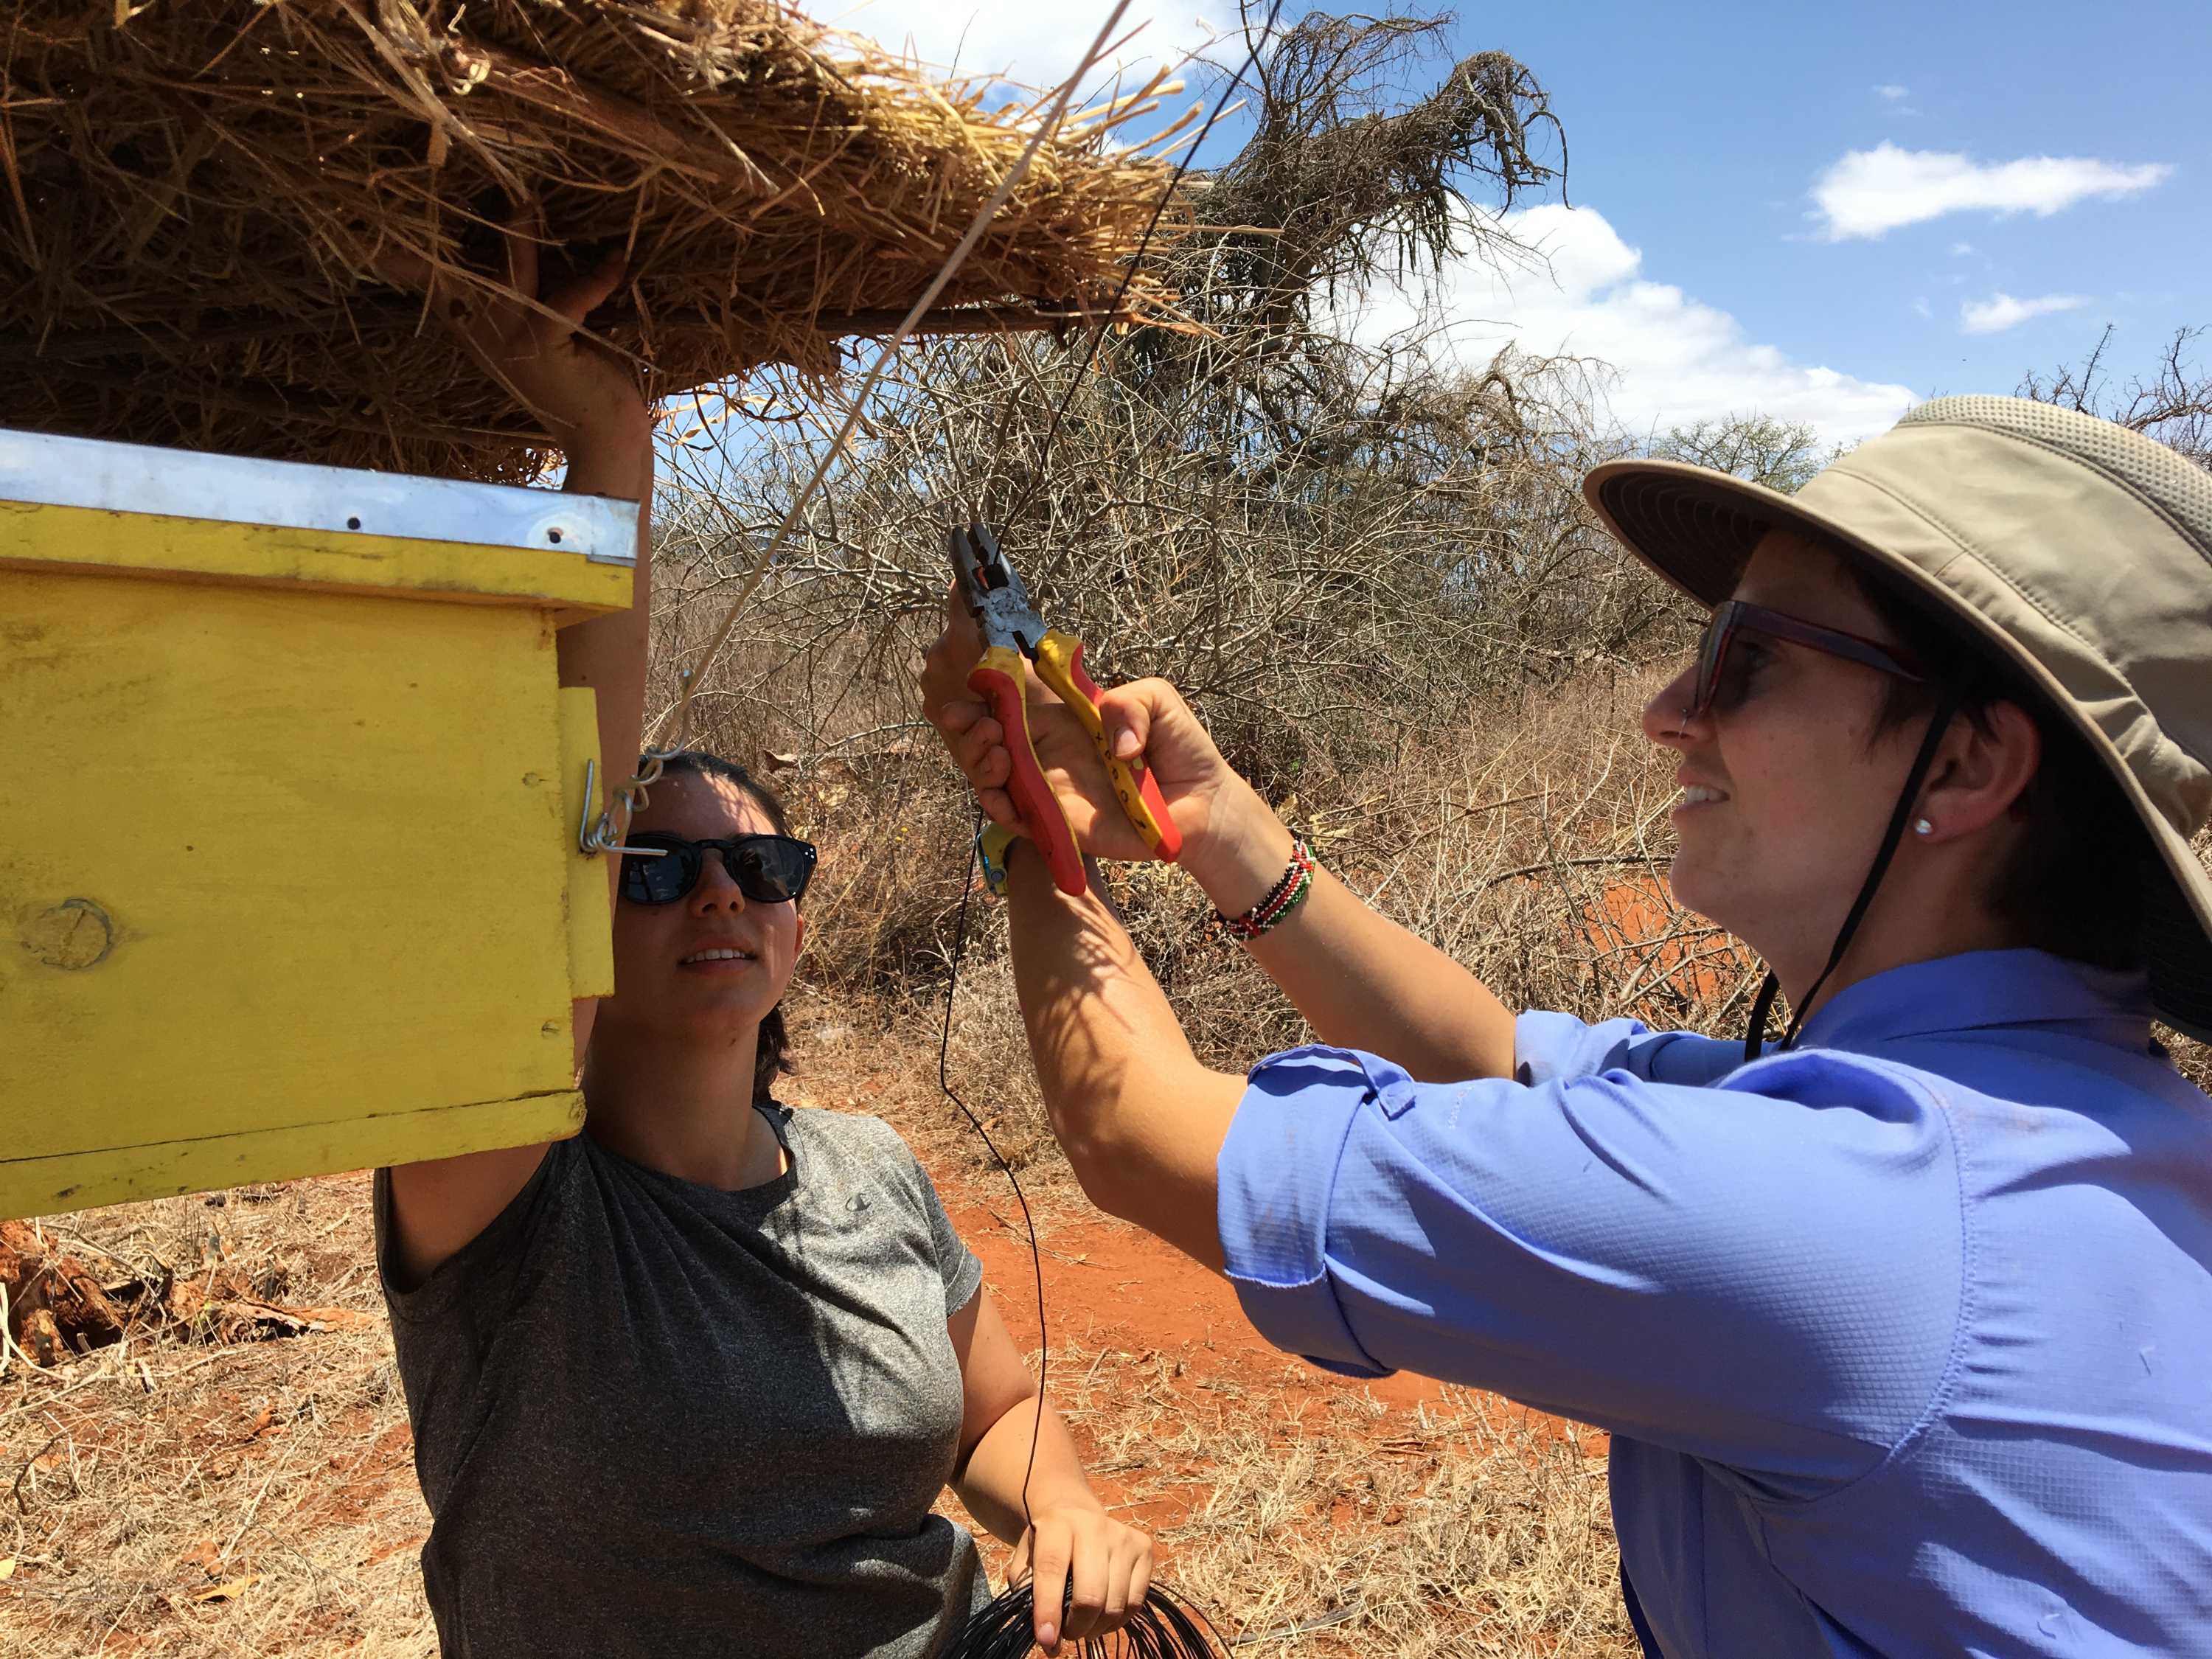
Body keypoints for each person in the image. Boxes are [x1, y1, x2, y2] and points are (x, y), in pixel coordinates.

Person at [921, 396, 2212, 1656]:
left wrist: (1028, 826)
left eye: (1746, 659)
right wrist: (1211, 825)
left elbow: (1135, 1130)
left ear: (1966, 764)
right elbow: (1491, 1054)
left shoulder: (1858, 1215)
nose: (1667, 708)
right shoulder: (2065, 1124)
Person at [375, 227, 1151, 1658]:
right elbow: (553, 826)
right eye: (659, 870)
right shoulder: (510, 1210)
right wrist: (614, 442)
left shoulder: (874, 1174)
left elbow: (998, 1414)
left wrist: (1064, 1508)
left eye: (762, 863)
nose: (720, 895)